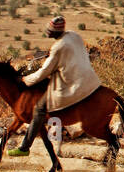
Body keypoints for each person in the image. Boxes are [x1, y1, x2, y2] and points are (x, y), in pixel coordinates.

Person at [6, 15, 102, 158]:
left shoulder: (58, 47)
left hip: (73, 84)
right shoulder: (73, 35)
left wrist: (25, 80)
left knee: (39, 109)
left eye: (50, 30)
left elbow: (43, 72)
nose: (48, 32)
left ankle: (25, 148)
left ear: (55, 32)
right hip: (90, 78)